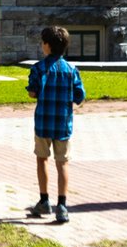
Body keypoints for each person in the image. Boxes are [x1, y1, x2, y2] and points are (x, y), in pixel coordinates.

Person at [26, 26, 87, 224]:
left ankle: (44, 200)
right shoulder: (71, 70)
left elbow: (32, 92)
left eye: (43, 42)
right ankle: (62, 205)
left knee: (42, 159)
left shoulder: (38, 68)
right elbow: (80, 96)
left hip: (43, 122)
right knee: (63, 163)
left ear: (48, 46)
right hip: (63, 123)